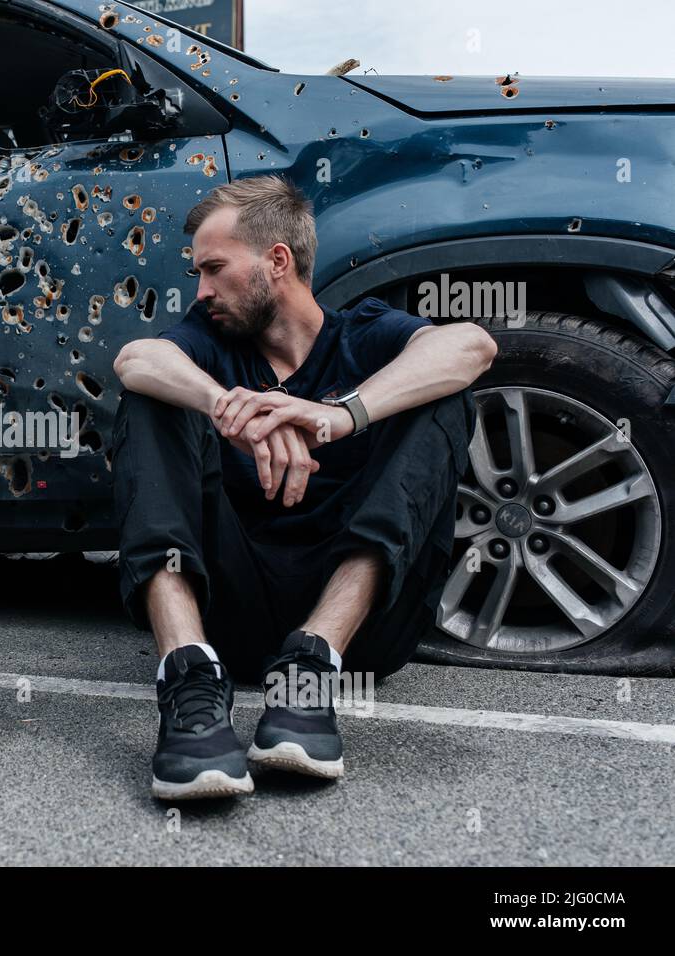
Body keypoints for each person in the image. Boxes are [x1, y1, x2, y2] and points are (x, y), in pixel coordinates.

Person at [111, 175, 496, 800]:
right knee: (150, 398)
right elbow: (135, 359)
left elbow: (472, 345)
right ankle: (187, 677)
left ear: (277, 260)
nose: (201, 290)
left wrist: (340, 414)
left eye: (213, 269)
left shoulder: (363, 334)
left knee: (443, 398)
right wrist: (230, 411)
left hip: (361, 626)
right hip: (232, 609)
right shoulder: (208, 340)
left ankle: (310, 667)